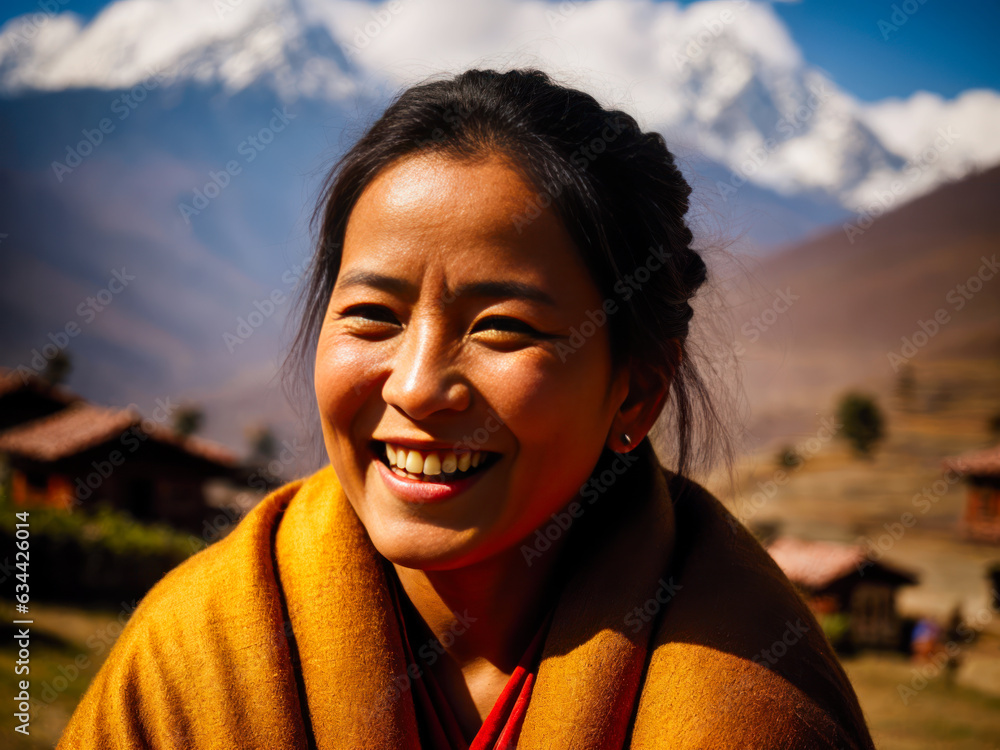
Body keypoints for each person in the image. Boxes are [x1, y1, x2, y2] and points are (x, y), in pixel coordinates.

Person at [58, 68, 875, 749]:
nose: (415, 387)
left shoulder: (753, 707)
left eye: (503, 329)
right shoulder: (194, 659)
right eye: (373, 316)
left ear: (636, 390)